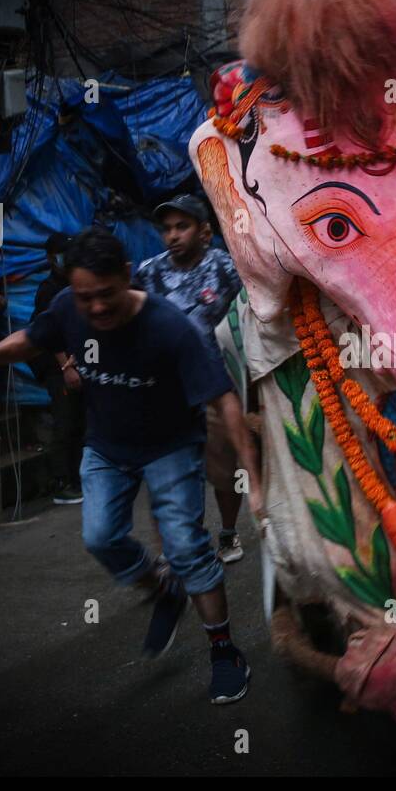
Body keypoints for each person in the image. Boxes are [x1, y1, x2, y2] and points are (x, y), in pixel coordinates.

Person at [0, 227, 263, 703]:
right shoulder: (66, 307)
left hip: (171, 446)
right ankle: (163, 591)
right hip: (107, 448)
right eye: (85, 298)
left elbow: (223, 399)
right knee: (100, 537)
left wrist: (254, 478)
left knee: (185, 548)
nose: (96, 307)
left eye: (105, 295)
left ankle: (224, 652)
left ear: (126, 276)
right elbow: (33, 338)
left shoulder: (169, 327)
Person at [134, 195, 247, 564]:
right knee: (167, 472)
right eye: (166, 229)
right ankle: (174, 547)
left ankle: (228, 534)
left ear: (204, 232)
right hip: (167, 390)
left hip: (218, 387)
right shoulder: (148, 273)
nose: (172, 235)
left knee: (223, 470)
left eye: (182, 226)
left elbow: (248, 316)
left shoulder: (226, 268)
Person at [28, 232, 85, 505]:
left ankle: (79, 479)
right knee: (65, 422)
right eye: (62, 253)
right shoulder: (49, 290)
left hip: (73, 361)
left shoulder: (74, 282)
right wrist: (66, 367)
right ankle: (62, 483)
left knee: (80, 421)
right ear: (51, 258)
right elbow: (51, 334)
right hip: (56, 365)